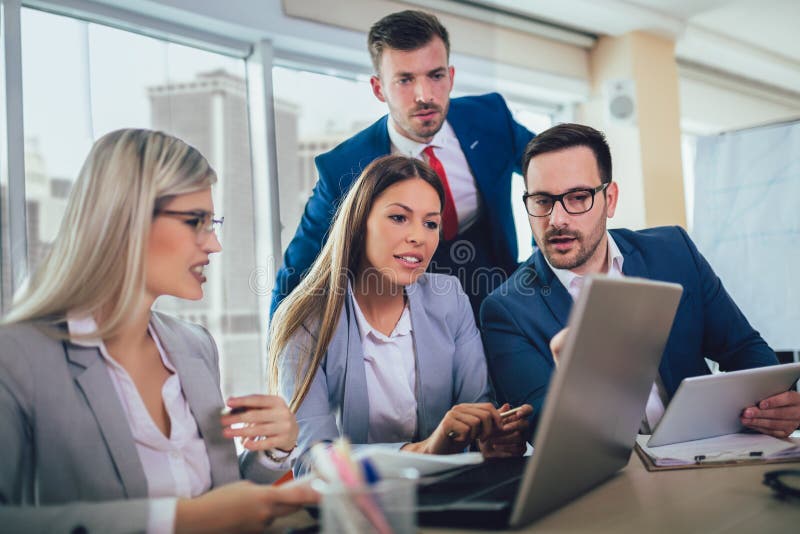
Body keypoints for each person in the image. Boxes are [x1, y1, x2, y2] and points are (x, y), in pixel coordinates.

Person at [0, 129, 317, 533]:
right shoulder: (16, 357)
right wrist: (179, 520)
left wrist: (274, 453)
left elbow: (222, 501)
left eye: (212, 222)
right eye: (195, 222)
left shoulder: (195, 347)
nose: (214, 245)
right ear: (125, 219)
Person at [481, 123, 800, 437]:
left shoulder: (674, 251)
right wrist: (577, 376)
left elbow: (745, 350)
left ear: (611, 199)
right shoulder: (506, 309)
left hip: (709, 449)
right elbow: (545, 431)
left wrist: (774, 407)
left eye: (578, 197)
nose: (557, 219)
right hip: (610, 479)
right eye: (542, 201)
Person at [269, 154, 532, 476]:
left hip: (447, 494)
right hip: (356, 511)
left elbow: (477, 406)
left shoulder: (449, 298)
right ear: (359, 222)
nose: (418, 237)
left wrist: (488, 438)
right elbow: (312, 463)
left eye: (431, 223)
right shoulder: (306, 321)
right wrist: (424, 450)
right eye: (398, 218)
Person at [271, 9, 536, 318]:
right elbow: (297, 273)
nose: (424, 95)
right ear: (378, 88)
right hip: (408, 325)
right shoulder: (343, 167)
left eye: (435, 76)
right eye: (405, 80)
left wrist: (539, 259)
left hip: (499, 303)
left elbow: (551, 170)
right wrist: (280, 356)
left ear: (450, 77)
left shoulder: (490, 117)